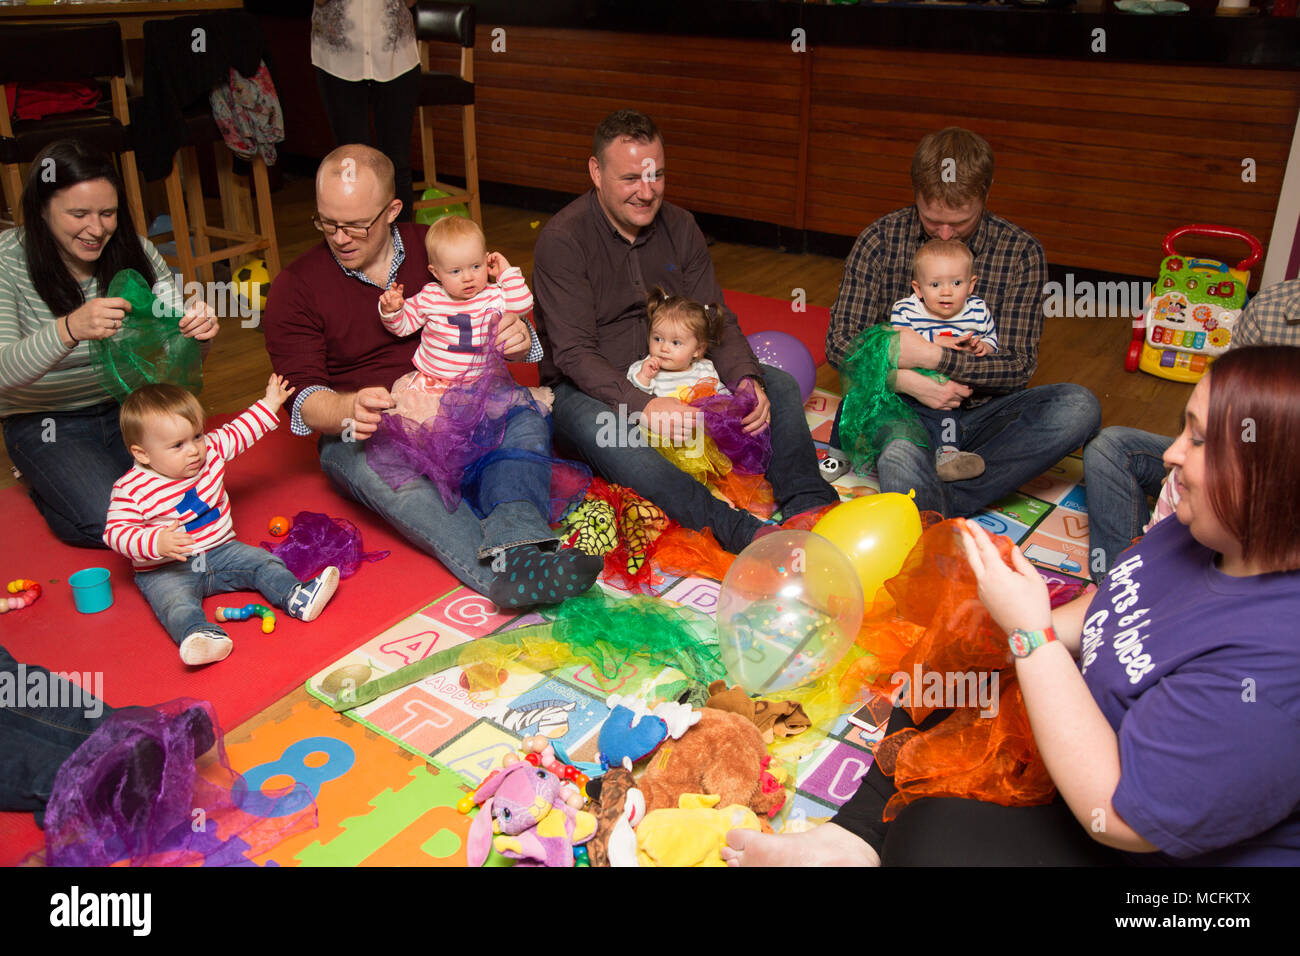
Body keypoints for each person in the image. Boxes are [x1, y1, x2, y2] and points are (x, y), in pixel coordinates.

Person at [725, 346, 1300, 866]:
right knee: (956, 654)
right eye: (1184, 429)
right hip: (1089, 739)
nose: (1171, 454)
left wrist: (1030, 634)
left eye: (1199, 441)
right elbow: (1113, 608)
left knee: (933, 840)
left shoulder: (1273, 671)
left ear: (1269, 477)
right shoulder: (1199, 530)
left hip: (1131, 831)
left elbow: (1121, 818)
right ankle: (846, 842)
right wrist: (992, 624)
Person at [262, 145, 601, 610]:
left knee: (523, 416)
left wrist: (523, 337)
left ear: (392, 210)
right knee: (386, 473)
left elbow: (511, 310)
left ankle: (521, 546)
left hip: (466, 397)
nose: (340, 237)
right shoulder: (296, 286)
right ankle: (504, 579)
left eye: (356, 224)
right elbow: (301, 397)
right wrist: (346, 408)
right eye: (327, 222)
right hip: (374, 423)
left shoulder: (439, 245)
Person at [533, 110, 838, 554]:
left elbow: (715, 319)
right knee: (616, 436)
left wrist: (745, 380)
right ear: (596, 172)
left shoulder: (680, 225)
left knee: (781, 385)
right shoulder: (564, 239)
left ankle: (808, 502)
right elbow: (575, 354)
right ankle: (732, 529)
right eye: (631, 177)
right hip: (594, 388)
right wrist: (643, 404)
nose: (647, 190)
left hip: (682, 368)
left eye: (656, 174)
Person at [825, 127, 1099, 516]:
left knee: (1079, 406)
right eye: (932, 219)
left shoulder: (1020, 252)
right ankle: (943, 495)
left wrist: (935, 357)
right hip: (905, 407)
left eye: (961, 221)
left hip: (982, 414)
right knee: (899, 456)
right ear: (915, 194)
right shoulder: (880, 239)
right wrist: (907, 381)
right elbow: (840, 344)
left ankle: (934, 504)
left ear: (986, 195)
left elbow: (1018, 366)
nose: (946, 232)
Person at [0, 139, 219, 548]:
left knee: (192, 502)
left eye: (107, 213)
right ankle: (43, 480)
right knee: (116, 526)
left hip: (133, 408)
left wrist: (196, 335)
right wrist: (69, 329)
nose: (97, 229)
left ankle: (65, 480)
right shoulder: (7, 261)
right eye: (78, 214)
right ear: (42, 209)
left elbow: (175, 367)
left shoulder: (137, 251)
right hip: (49, 420)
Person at [104, 378, 341, 667]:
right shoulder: (131, 489)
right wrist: (156, 542)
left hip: (221, 551)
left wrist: (269, 403)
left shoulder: (209, 452)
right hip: (167, 569)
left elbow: (238, 432)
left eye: (197, 436)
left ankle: (296, 596)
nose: (194, 450)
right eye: (178, 445)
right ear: (142, 453)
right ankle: (202, 635)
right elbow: (115, 533)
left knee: (262, 562)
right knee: (174, 604)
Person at [1084, 277, 1300, 581]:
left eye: (1196, 440)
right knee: (1112, 447)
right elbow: (1218, 403)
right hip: (1236, 456)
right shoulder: (1270, 307)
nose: (1171, 455)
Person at [312, 0, 421, 221]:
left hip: (396, 56)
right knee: (350, 163)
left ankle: (403, 248)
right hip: (337, 58)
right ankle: (355, 247)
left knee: (396, 163)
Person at [628, 288, 728, 397]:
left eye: (676, 343)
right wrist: (644, 377)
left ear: (697, 350)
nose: (664, 348)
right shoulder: (641, 369)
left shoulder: (705, 369)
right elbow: (633, 401)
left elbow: (723, 397)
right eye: (658, 339)